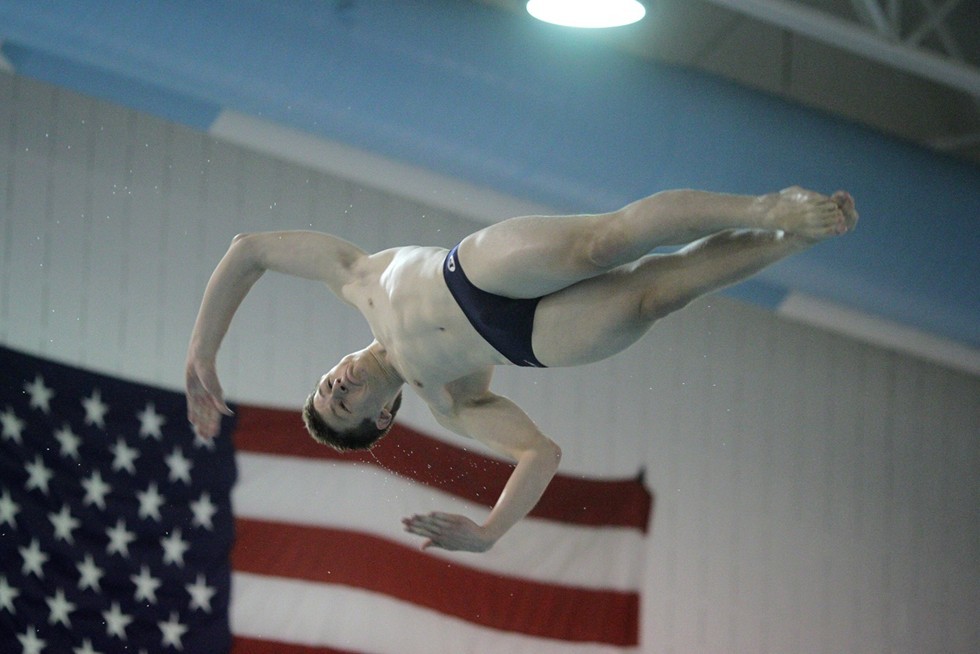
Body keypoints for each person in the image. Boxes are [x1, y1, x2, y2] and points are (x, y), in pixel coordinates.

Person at [185, 186, 857, 552]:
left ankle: (763, 208)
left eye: (323, 388)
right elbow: (540, 452)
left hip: (471, 274)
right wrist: (489, 531)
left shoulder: (359, 279)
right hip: (519, 338)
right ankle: (788, 239)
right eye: (343, 408)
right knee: (658, 294)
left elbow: (250, 252)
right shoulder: (447, 400)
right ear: (382, 415)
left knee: (609, 240)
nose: (336, 390)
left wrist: (202, 357)